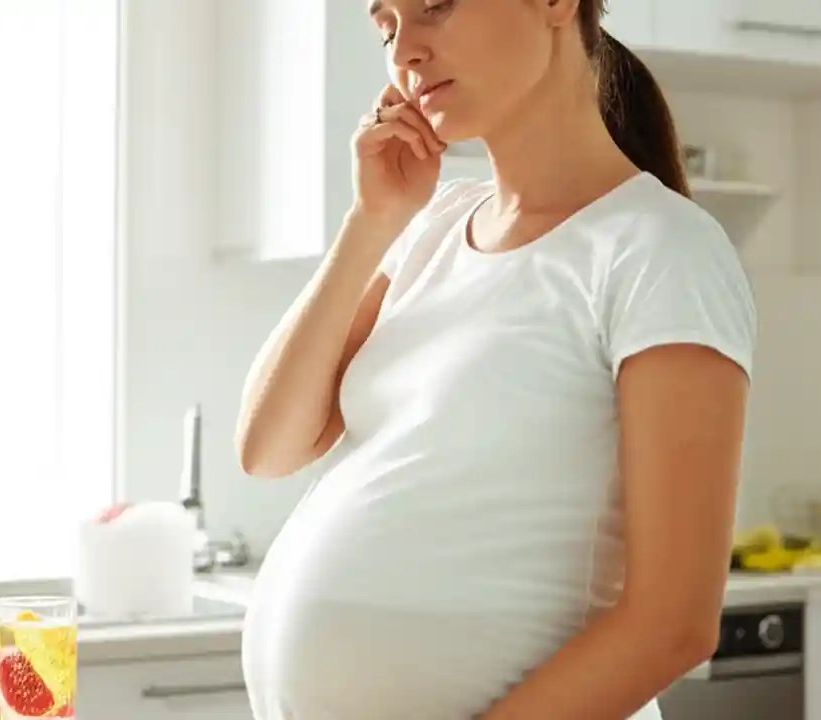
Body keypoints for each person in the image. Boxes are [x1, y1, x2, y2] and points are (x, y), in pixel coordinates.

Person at [234, 0, 756, 717]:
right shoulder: (434, 228)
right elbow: (268, 446)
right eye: (386, 25)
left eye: (434, 8)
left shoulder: (659, 249)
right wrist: (373, 219)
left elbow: (672, 626)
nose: (404, 52)